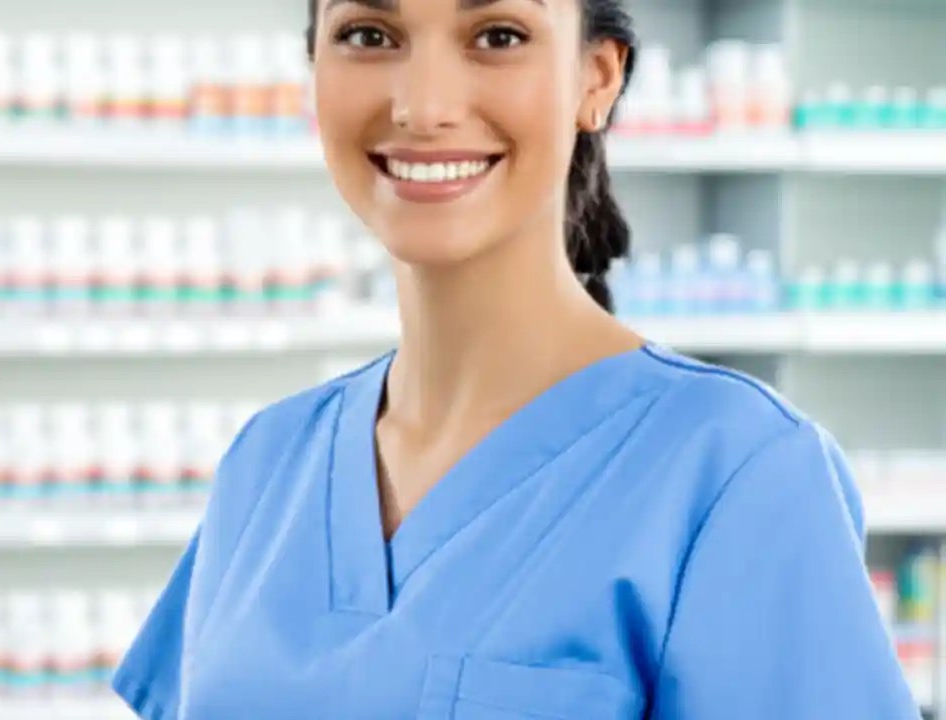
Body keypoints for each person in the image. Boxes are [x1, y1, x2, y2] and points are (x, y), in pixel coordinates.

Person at [113, 0, 919, 717]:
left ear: (595, 79)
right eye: (368, 34)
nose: (423, 106)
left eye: (497, 35)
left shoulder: (736, 472)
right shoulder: (268, 462)